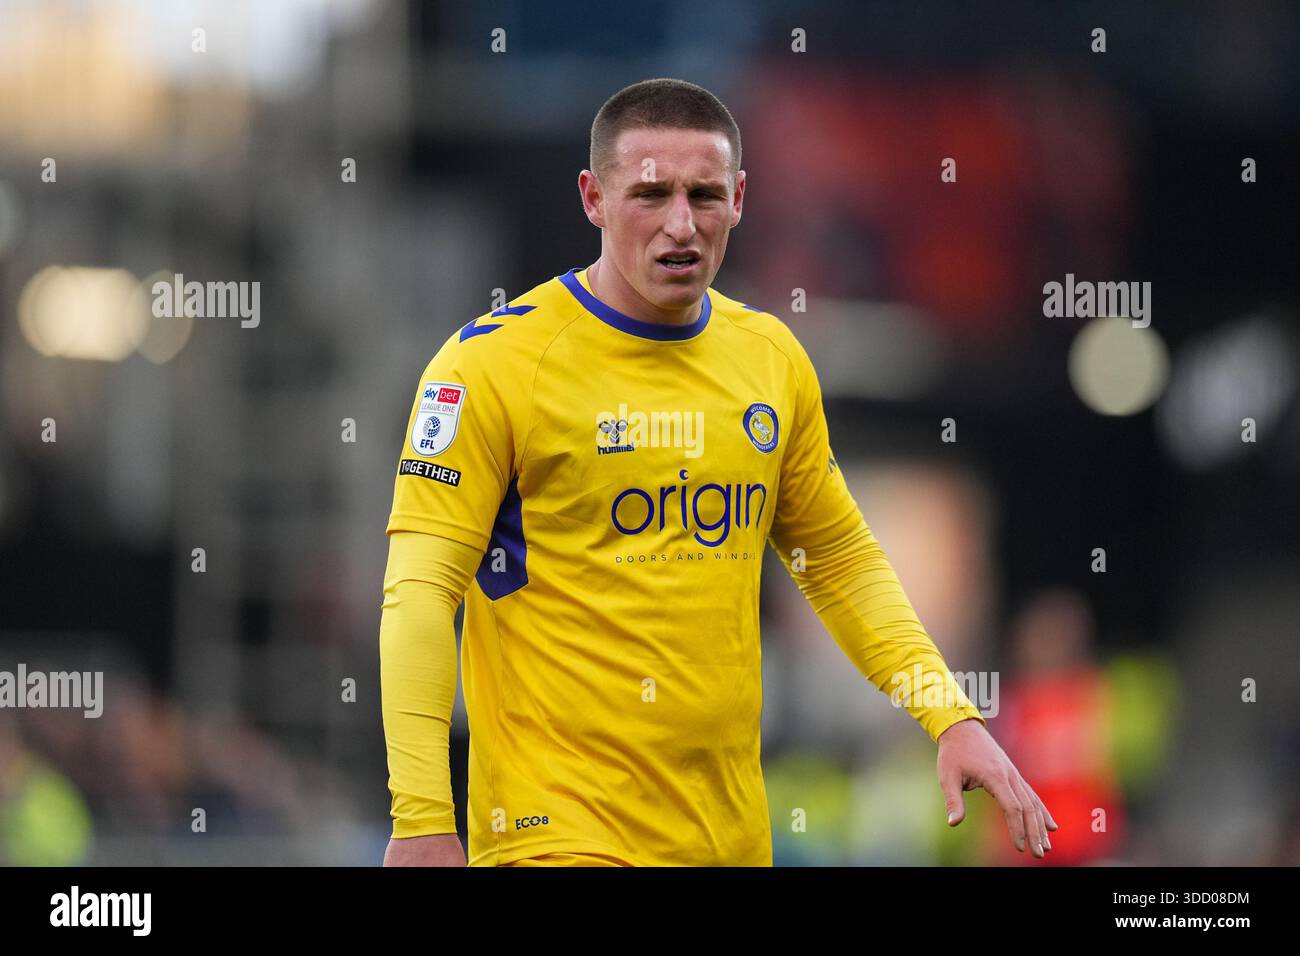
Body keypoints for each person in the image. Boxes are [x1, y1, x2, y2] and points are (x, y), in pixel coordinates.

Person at [379, 77, 1055, 866]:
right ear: (594, 198)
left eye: (703, 195)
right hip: (556, 833)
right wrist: (422, 817)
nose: (681, 224)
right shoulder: (491, 365)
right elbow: (419, 593)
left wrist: (950, 714)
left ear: (738, 199)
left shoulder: (770, 360)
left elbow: (839, 561)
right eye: (650, 194)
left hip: (727, 838)